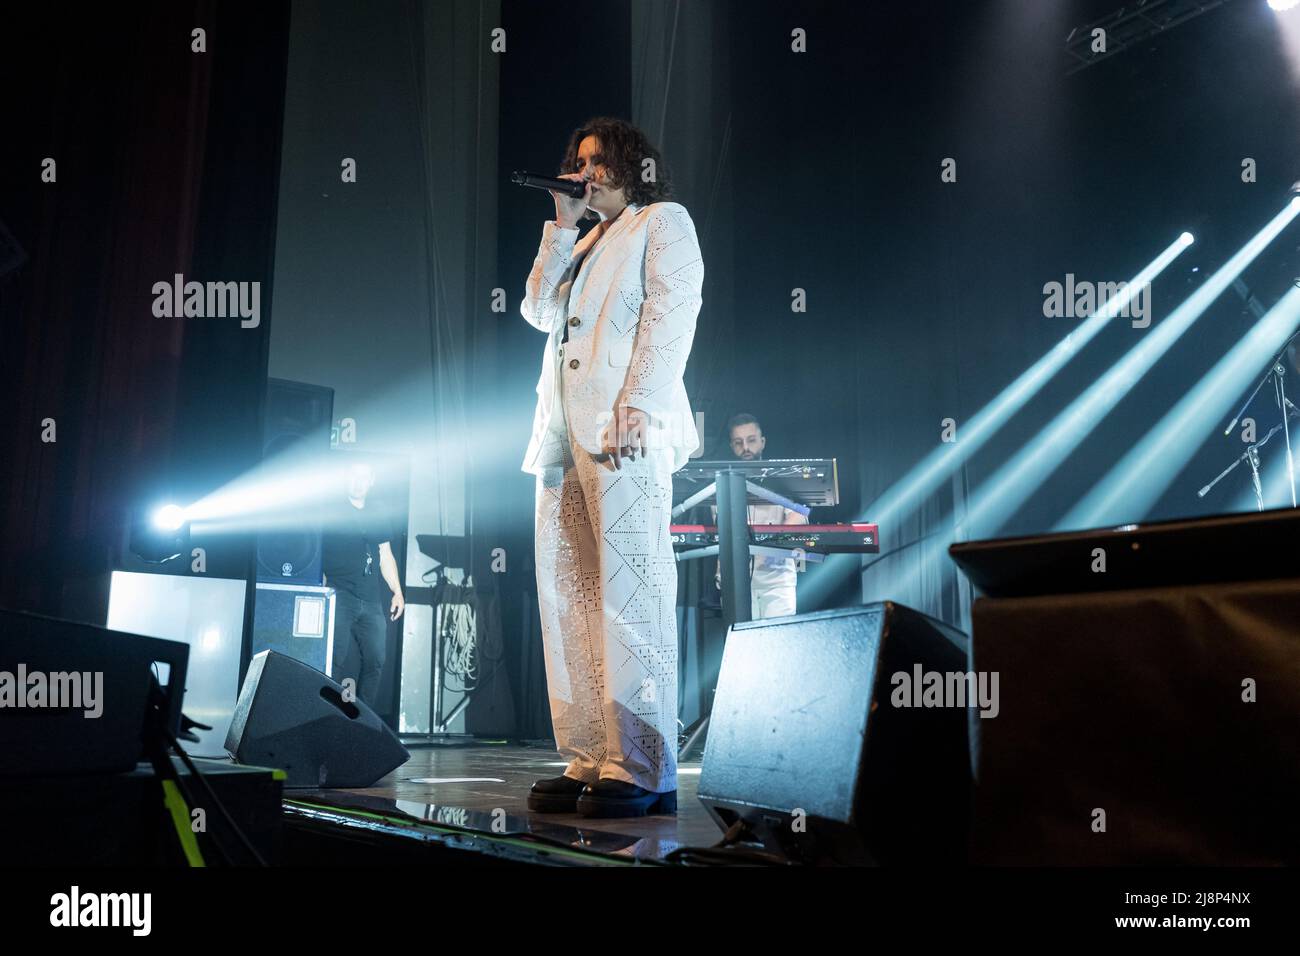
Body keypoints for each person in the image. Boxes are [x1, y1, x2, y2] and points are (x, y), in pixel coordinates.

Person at [519, 117, 703, 818]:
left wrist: (641, 404)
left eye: (600, 161)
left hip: (625, 427)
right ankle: (590, 752)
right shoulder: (584, 240)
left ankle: (645, 762)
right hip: (563, 437)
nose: (586, 172)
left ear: (634, 165)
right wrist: (561, 228)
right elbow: (537, 311)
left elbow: (672, 312)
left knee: (633, 590)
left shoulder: (662, 221)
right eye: (579, 162)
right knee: (570, 600)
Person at [320, 460, 405, 706]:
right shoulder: (332, 510)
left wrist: (397, 592)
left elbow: (385, 555)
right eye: (354, 476)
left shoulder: (377, 512)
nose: (359, 482)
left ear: (372, 481)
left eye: (364, 477)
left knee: (376, 659)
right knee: (333, 657)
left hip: (370, 598)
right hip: (340, 593)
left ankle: (363, 719)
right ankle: (325, 713)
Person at [715, 413, 808, 619]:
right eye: (739, 442)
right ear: (732, 445)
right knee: (741, 647)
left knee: (778, 644)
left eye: (751, 440)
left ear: (762, 442)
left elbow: (799, 516)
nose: (745, 448)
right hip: (734, 583)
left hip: (776, 582)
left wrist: (770, 541)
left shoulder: (781, 479)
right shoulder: (721, 483)